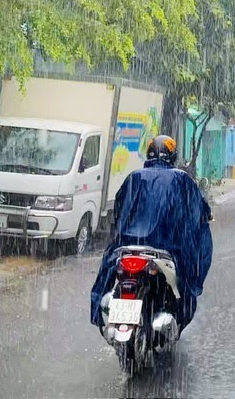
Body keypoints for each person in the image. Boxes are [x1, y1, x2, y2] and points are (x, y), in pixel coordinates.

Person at [89, 135, 213, 334]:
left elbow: (120, 209)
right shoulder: (181, 179)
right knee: (186, 283)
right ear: (172, 156)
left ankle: (101, 313)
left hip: (128, 246)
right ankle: (175, 319)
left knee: (107, 270)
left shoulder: (134, 177)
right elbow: (199, 212)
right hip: (167, 247)